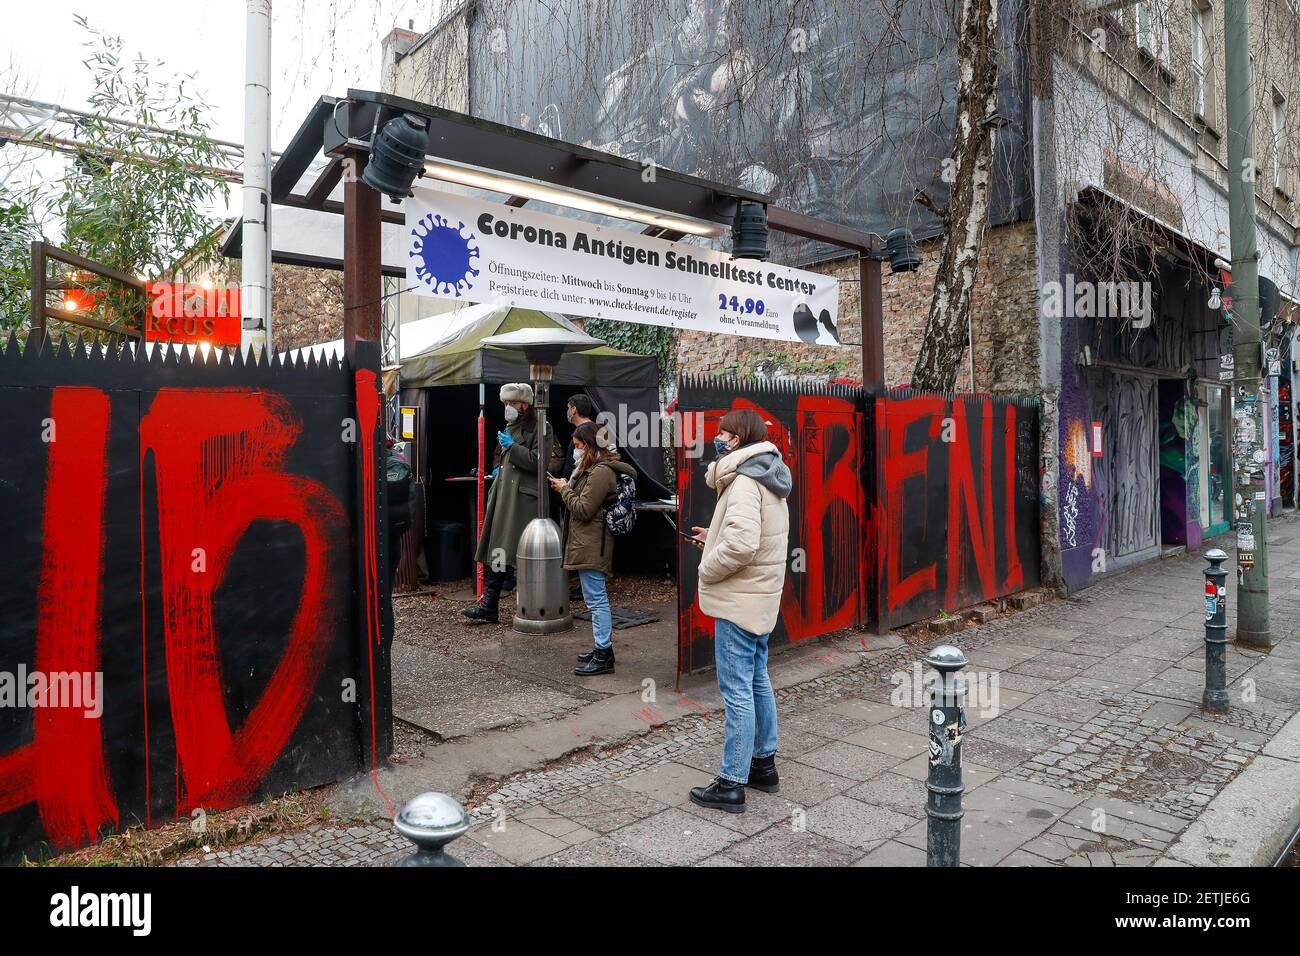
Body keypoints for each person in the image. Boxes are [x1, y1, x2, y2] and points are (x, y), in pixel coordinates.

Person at [684, 408, 791, 813]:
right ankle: (764, 764)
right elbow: (753, 536)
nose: (719, 439)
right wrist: (712, 538)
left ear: (741, 438)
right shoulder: (769, 474)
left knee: (737, 690)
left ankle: (731, 782)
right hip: (759, 597)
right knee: (758, 678)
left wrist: (707, 566)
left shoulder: (745, 481)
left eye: (725, 434)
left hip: (737, 599)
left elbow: (743, 546)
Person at [462, 383, 560, 624]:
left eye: (512, 403)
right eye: (505, 403)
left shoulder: (541, 427)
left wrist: (512, 448)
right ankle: (489, 604)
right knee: (498, 549)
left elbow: (539, 462)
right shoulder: (512, 426)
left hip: (524, 501)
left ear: (524, 405)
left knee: (522, 555)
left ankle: (531, 605)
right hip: (506, 497)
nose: (507, 407)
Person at [548, 422, 636, 676]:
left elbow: (584, 509)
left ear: (588, 445)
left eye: (577, 446)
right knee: (594, 599)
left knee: (597, 600)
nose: (575, 451)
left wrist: (565, 490)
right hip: (588, 541)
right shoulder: (593, 469)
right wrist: (568, 486)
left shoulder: (600, 472)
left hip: (592, 542)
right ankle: (602, 648)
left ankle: (603, 654)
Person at [560, 394, 597, 480]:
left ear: (574, 410)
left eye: (568, 408)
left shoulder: (585, 434)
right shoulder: (597, 430)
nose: (568, 411)